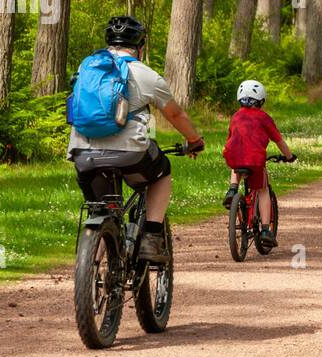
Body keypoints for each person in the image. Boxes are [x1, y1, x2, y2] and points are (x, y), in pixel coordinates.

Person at [68, 16, 205, 263]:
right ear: (140, 46)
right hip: (130, 154)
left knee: (102, 209)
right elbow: (175, 114)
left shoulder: (86, 68)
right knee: (162, 172)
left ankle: (92, 267)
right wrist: (194, 140)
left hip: (83, 154)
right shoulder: (146, 74)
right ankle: (152, 237)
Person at [222, 79, 296, 249]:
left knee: (235, 160)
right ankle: (264, 230)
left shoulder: (235, 116)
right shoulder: (264, 118)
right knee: (263, 191)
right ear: (261, 100)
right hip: (255, 161)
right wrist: (289, 156)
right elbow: (279, 141)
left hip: (234, 156)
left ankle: (233, 189)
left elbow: (231, 141)